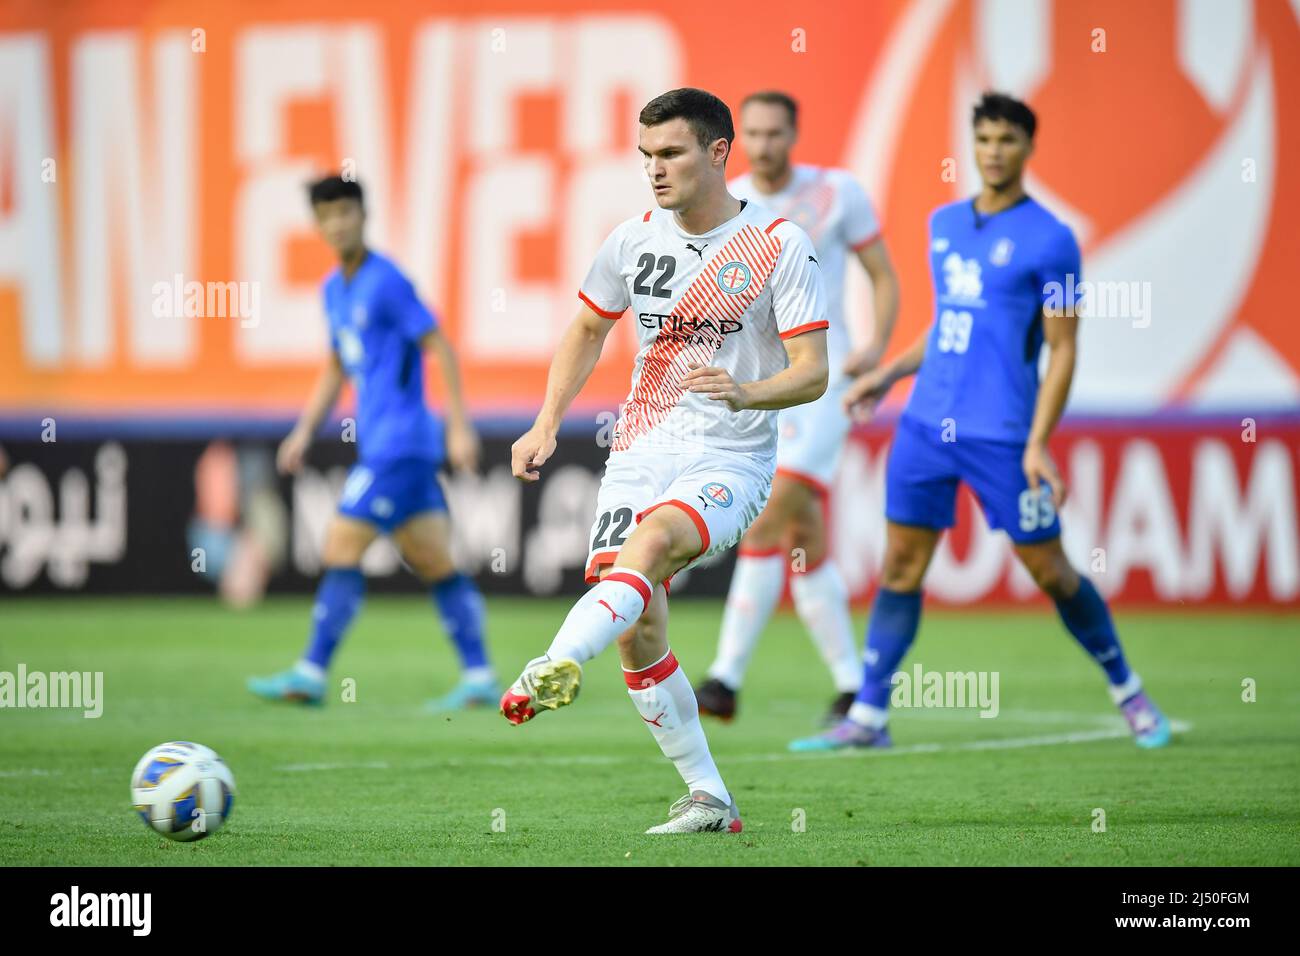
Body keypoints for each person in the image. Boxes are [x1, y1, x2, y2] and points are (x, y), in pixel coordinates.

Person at [792, 93, 1171, 752]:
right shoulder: (944, 224)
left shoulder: (1051, 240)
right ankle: (870, 718)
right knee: (902, 568)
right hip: (924, 426)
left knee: (1050, 570)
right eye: (985, 139)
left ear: (1028, 148)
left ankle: (1128, 690)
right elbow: (951, 324)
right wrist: (886, 375)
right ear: (973, 144)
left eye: (1007, 140)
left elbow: (1064, 348)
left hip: (1001, 436)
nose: (994, 151)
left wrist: (1037, 444)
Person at [502, 88, 829, 833]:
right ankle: (709, 797)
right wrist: (546, 422)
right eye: (646, 155)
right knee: (638, 628)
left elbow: (814, 371)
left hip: (732, 456)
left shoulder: (780, 244)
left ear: (718, 153)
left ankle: (550, 664)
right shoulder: (630, 241)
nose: (654, 169)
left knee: (647, 549)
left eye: (671, 153)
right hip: (640, 450)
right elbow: (587, 328)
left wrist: (746, 393)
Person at [248, 175, 496, 711]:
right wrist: (302, 431)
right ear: (316, 225)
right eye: (327, 215)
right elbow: (337, 364)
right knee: (433, 560)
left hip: (400, 445)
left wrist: (458, 425)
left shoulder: (387, 282)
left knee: (340, 545)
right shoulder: (334, 290)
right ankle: (479, 676)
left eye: (346, 213)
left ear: (364, 216)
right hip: (389, 447)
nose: (338, 223)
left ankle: (311, 672)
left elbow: (439, 346)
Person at [696, 90, 900, 725]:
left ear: (795, 132)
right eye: (751, 133)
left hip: (822, 382)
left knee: (765, 517)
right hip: (762, 386)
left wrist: (877, 347)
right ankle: (852, 686)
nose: (763, 145)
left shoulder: (838, 193)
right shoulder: (729, 208)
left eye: (774, 132)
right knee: (804, 533)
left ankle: (724, 678)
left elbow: (882, 274)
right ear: (733, 141)